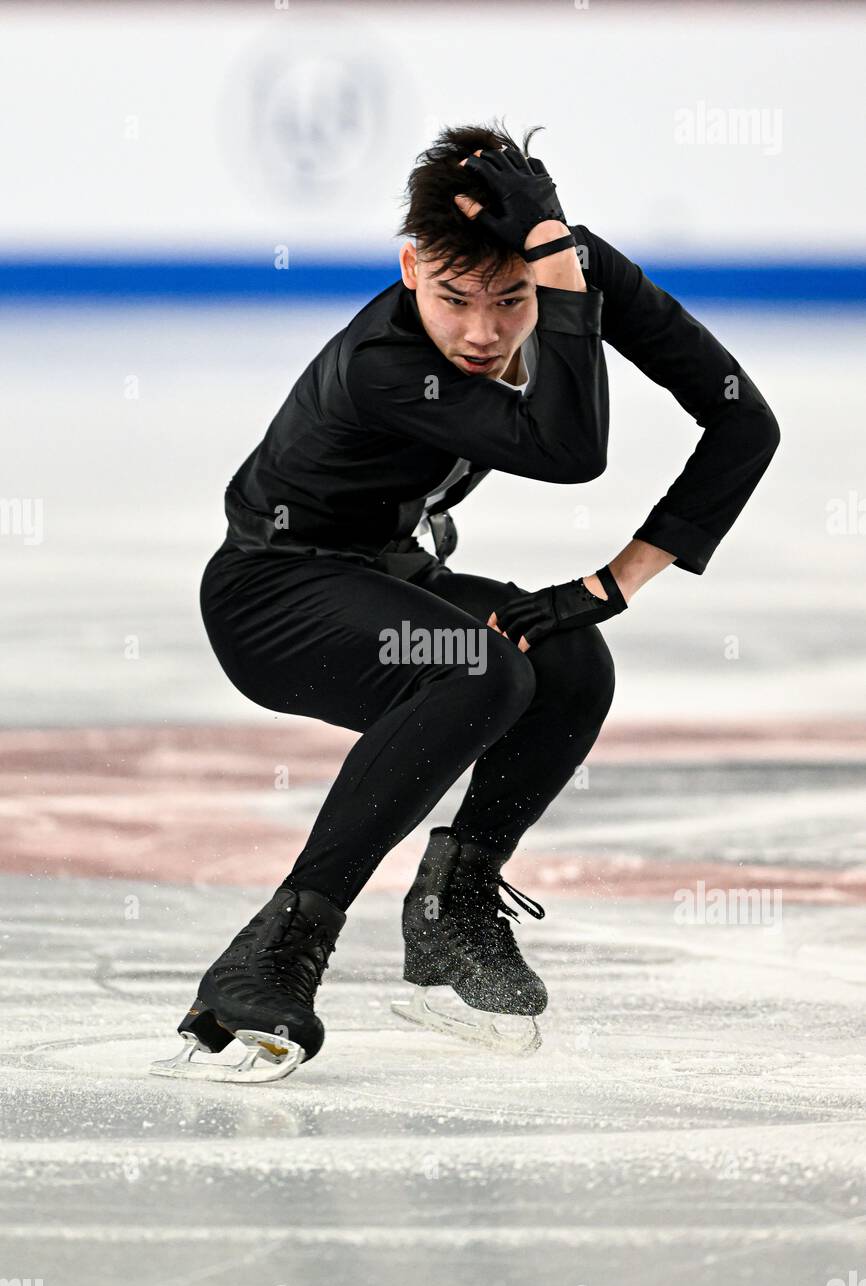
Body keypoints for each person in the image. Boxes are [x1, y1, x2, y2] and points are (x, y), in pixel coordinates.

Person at [151, 121, 780, 1083]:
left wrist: (611, 585)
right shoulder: (383, 363)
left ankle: (454, 917)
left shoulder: (571, 268)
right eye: (455, 299)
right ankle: (270, 954)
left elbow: (742, 418)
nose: (484, 332)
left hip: (392, 576)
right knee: (474, 665)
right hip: (273, 593)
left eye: (511, 300)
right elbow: (571, 451)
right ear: (411, 268)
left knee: (569, 662)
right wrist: (558, 287)